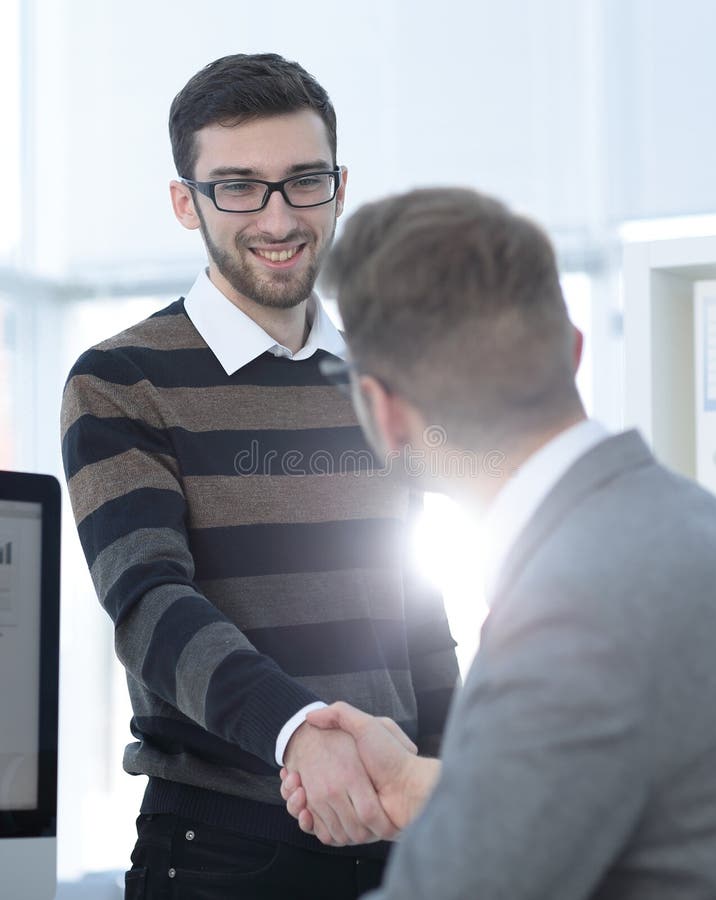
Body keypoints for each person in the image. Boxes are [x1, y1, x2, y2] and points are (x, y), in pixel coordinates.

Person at [60, 55, 459, 900]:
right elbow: (148, 604)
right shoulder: (119, 379)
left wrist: (454, 784)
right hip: (225, 852)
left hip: (402, 841)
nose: (278, 217)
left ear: (340, 187)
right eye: (238, 186)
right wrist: (299, 733)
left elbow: (416, 614)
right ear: (186, 202)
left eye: (302, 181)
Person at [280, 187, 716, 898]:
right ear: (574, 350)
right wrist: (412, 783)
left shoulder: (571, 610)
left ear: (383, 412)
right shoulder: (708, 534)